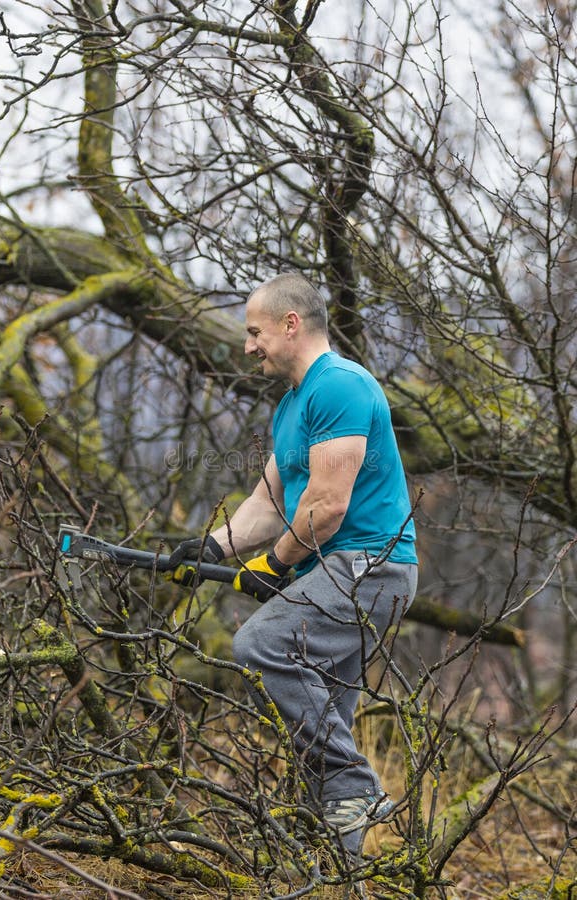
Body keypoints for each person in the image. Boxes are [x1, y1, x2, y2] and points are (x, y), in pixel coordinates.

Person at [168, 272, 418, 855]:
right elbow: (267, 504)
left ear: (291, 324)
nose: (248, 346)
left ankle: (355, 784)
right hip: (336, 571)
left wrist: (275, 565)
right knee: (325, 718)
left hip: (368, 567)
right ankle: (335, 870)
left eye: (255, 332)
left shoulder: (340, 386)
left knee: (260, 646)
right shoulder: (291, 407)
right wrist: (212, 547)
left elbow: (327, 506)